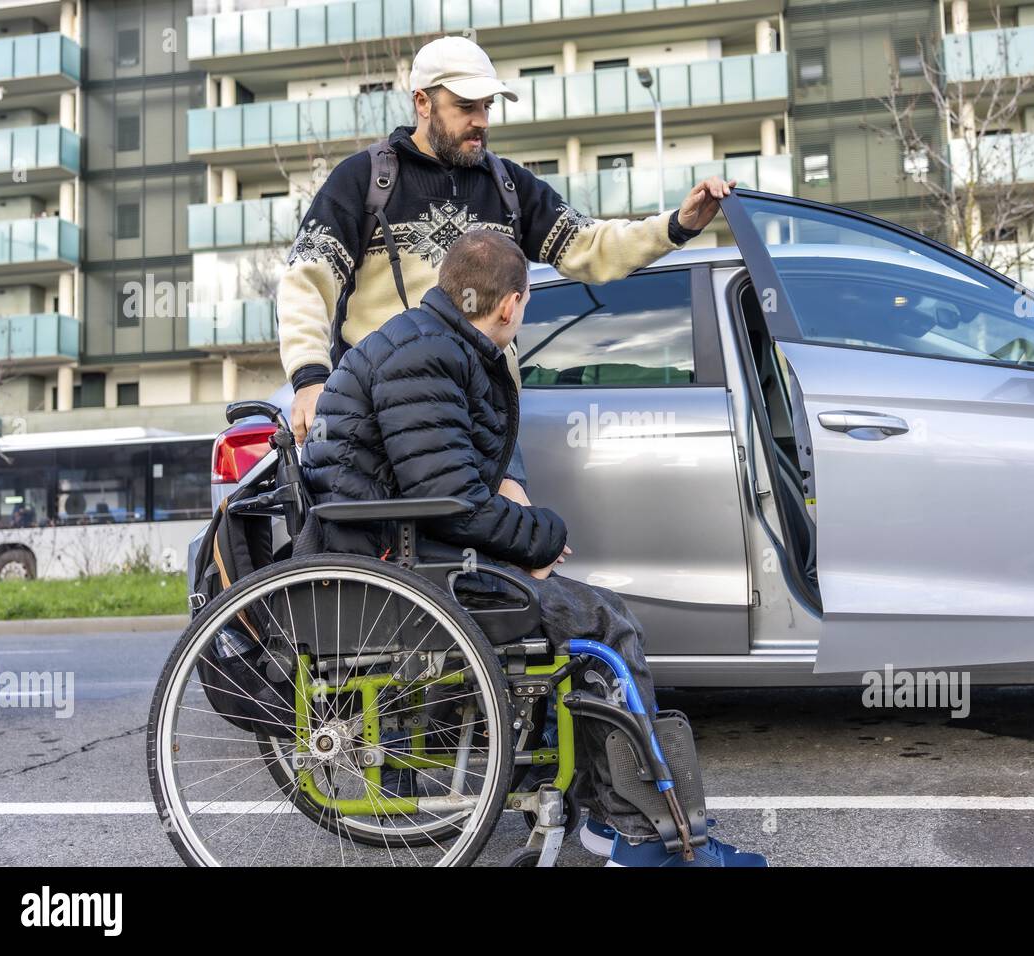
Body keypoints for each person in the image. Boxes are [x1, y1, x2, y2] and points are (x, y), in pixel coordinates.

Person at [303, 230, 767, 867]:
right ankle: (643, 836)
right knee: (607, 628)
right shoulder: (429, 357)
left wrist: (521, 539)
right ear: (509, 306)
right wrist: (540, 537)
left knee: (583, 618)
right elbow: (451, 499)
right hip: (401, 574)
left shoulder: (426, 342)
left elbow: (443, 489)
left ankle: (611, 819)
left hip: (393, 555)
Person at [276, 33, 734, 463]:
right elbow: (306, 281)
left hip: (487, 423)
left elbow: (590, 245)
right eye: (464, 106)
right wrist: (310, 379)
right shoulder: (361, 181)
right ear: (422, 102)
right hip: (384, 421)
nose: (480, 120)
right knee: (387, 550)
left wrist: (676, 226)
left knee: (504, 544)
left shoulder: (509, 186)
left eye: (487, 106)